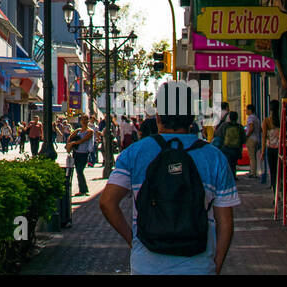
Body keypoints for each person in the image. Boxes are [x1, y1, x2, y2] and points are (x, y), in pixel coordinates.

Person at [99, 81, 239, 274]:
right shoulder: (215, 157)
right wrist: (216, 266)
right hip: (198, 265)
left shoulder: (135, 153)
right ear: (191, 118)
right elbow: (226, 222)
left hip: (146, 265)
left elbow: (107, 202)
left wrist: (134, 240)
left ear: (158, 117)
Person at [67, 115, 95, 196]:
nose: (84, 121)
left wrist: (74, 143)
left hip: (84, 153)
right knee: (78, 171)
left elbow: (84, 140)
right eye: (82, 120)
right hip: (76, 152)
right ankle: (83, 189)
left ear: (88, 121)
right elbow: (70, 137)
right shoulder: (78, 130)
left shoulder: (90, 131)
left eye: (85, 119)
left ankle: (83, 189)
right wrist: (70, 143)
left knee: (80, 170)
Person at [220, 111, 246, 178]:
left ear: (229, 118)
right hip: (236, 148)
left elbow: (220, 135)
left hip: (226, 148)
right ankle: (234, 175)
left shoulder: (225, 125)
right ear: (237, 118)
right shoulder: (240, 127)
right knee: (234, 163)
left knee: (228, 163)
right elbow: (243, 138)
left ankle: (229, 176)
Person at [263, 100, 281, 188]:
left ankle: (276, 194)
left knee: (273, 172)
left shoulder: (267, 121)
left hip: (271, 149)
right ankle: (281, 189)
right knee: (281, 172)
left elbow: (264, 137)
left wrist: (262, 151)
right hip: (280, 149)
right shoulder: (281, 120)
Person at [244, 104, 261, 180]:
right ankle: (254, 171)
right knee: (254, 156)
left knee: (252, 157)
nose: (246, 111)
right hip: (257, 138)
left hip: (251, 139)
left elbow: (251, 128)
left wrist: (247, 135)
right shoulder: (256, 118)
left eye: (247, 110)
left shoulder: (250, 118)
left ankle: (253, 173)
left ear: (250, 110)